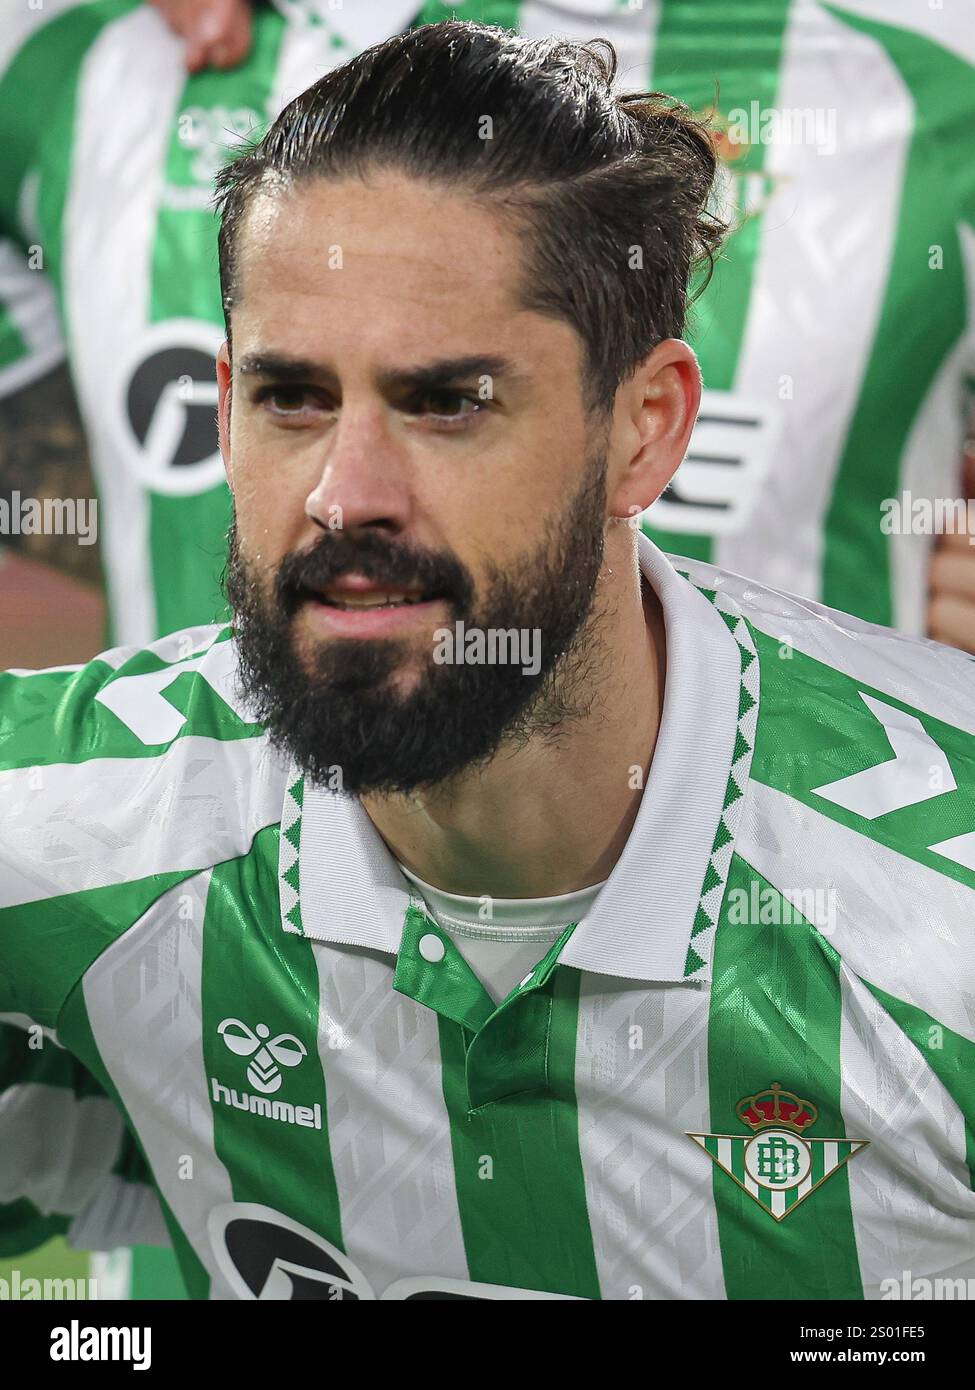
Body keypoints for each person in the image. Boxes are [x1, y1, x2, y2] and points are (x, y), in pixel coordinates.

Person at [1, 22, 972, 1301]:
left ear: (645, 429)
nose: (346, 497)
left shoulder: (932, 937)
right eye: (291, 398)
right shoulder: (75, 837)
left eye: (449, 401)